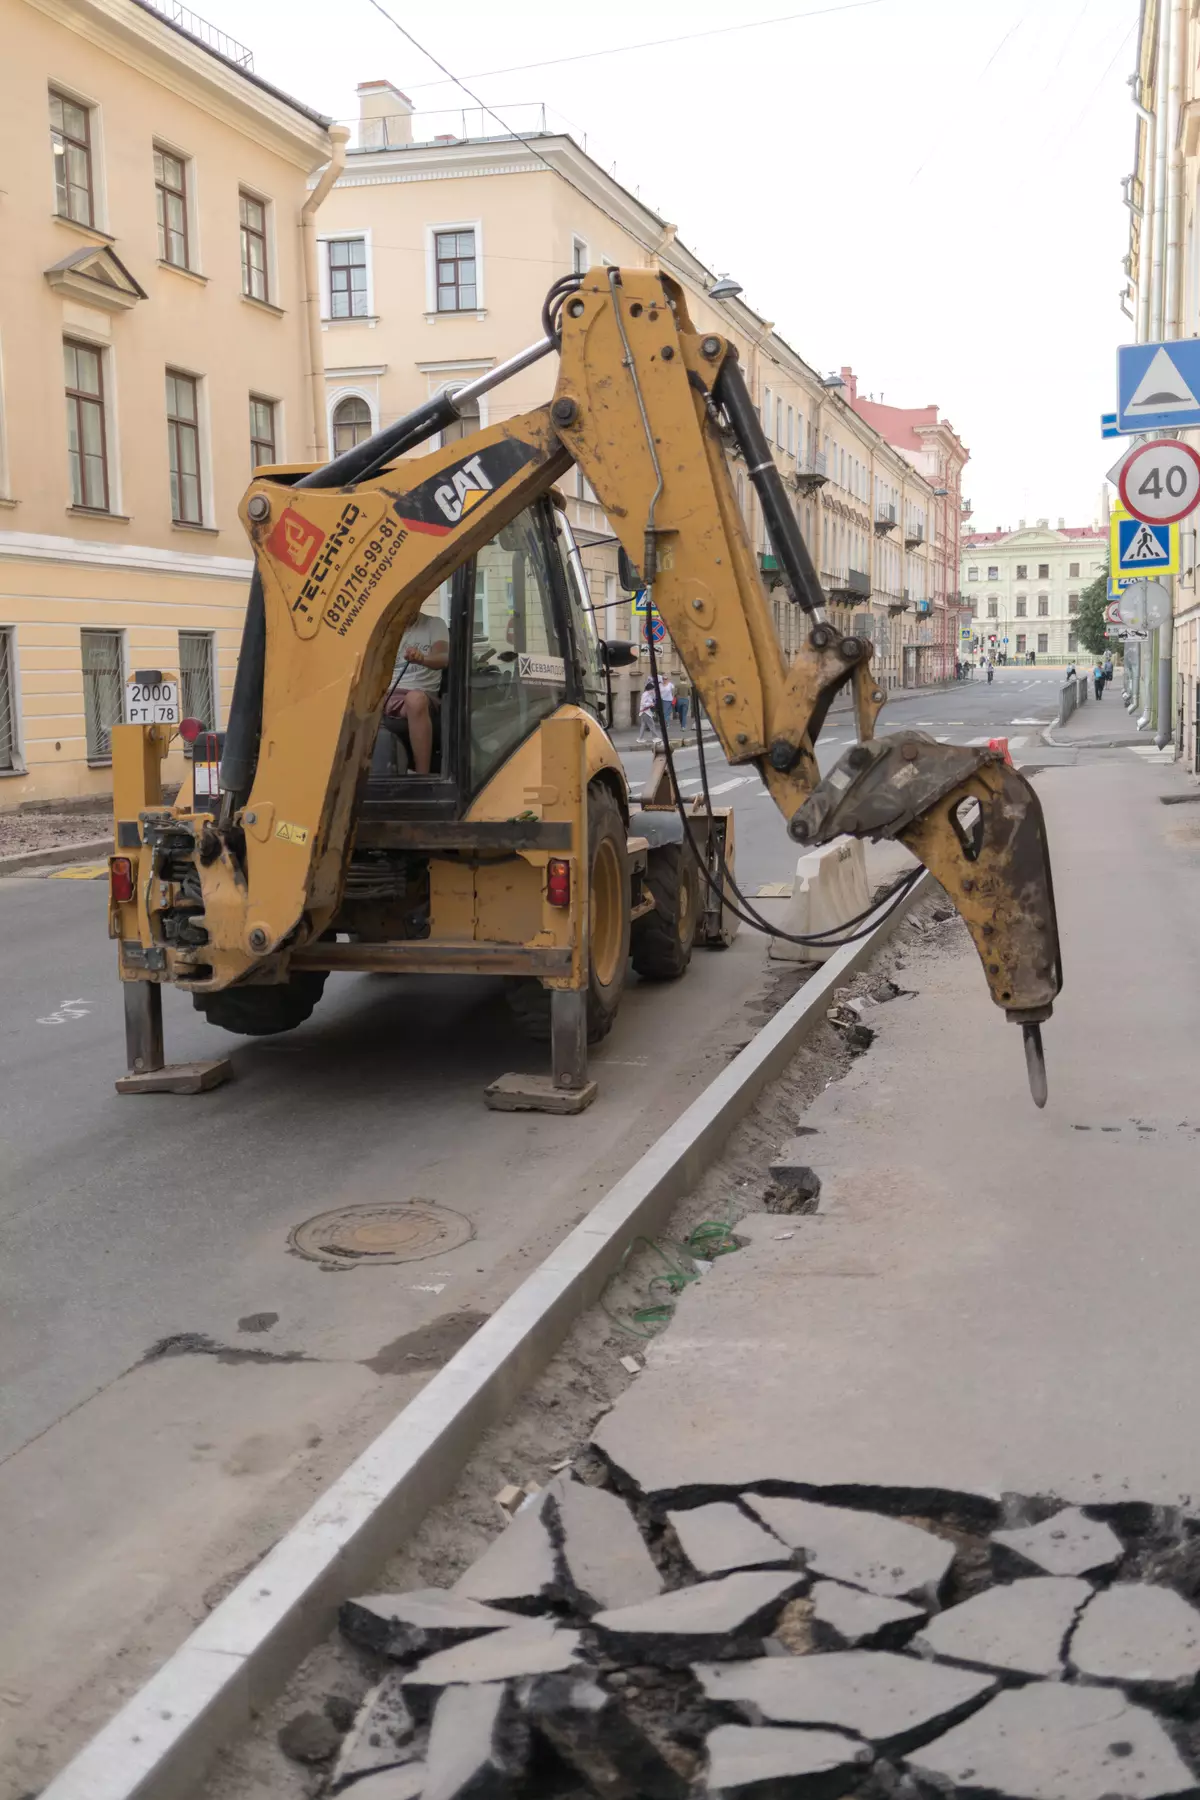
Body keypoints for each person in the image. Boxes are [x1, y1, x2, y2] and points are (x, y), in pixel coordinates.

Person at [383, 607, 449, 774]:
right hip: (389, 693)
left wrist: (423, 659)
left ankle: (422, 776)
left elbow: (443, 658)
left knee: (415, 699)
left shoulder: (434, 624)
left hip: (423, 694)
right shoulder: (386, 628)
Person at [636, 678, 659, 743]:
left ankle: (640, 738)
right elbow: (643, 704)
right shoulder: (645, 694)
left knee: (643, 725)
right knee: (651, 724)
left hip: (645, 712)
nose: (653, 690)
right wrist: (650, 704)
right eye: (652, 689)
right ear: (650, 689)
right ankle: (655, 738)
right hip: (645, 712)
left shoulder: (648, 694)